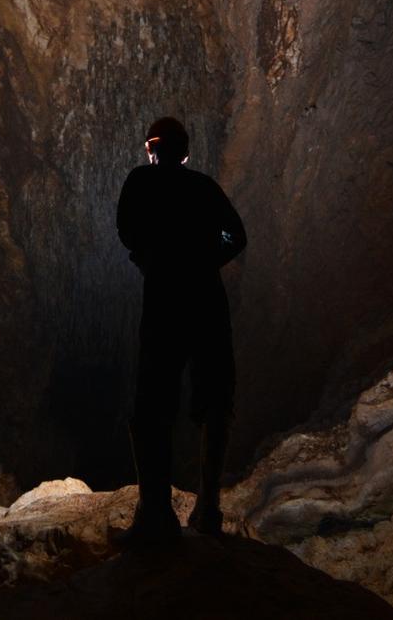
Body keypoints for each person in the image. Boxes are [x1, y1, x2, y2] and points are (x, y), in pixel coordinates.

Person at [116, 116, 246, 544]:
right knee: (214, 397)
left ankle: (155, 513)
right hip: (207, 297)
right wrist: (207, 259)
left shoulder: (141, 179)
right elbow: (237, 236)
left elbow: (126, 229)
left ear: (152, 148)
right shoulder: (203, 187)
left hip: (164, 298)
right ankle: (208, 508)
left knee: (152, 403)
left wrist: (151, 256)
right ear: (185, 151)